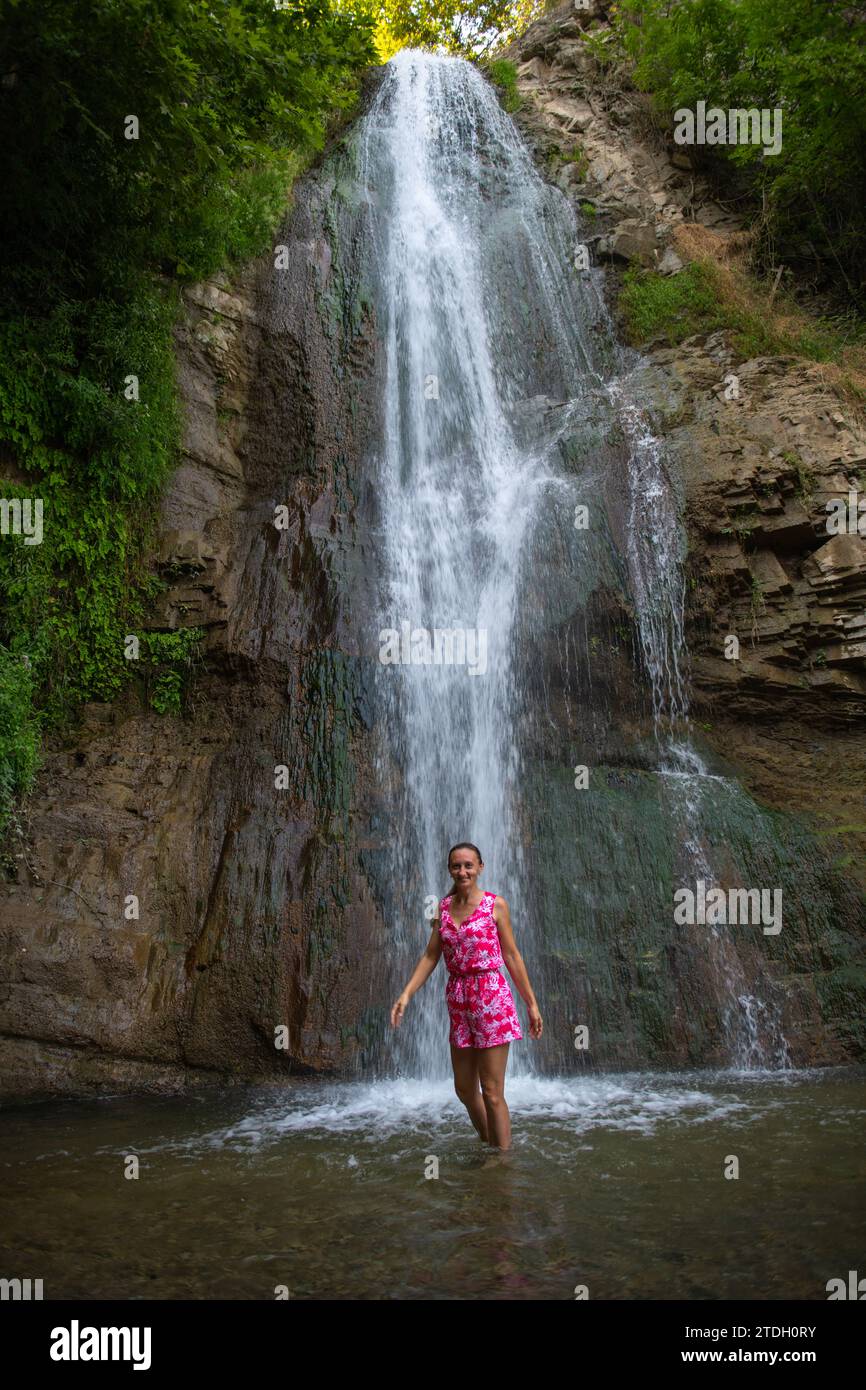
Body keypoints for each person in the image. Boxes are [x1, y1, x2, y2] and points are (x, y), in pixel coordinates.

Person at [390, 841, 542, 1150]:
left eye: (468, 865)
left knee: (492, 1090)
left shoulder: (495, 905)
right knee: (464, 1089)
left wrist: (531, 1003)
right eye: (457, 866)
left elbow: (512, 956)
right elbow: (431, 956)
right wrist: (406, 994)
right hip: (459, 999)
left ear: (480, 867)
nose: (463, 871)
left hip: (491, 997)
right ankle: (491, 1143)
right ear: (449, 869)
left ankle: (501, 1158)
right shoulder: (443, 908)